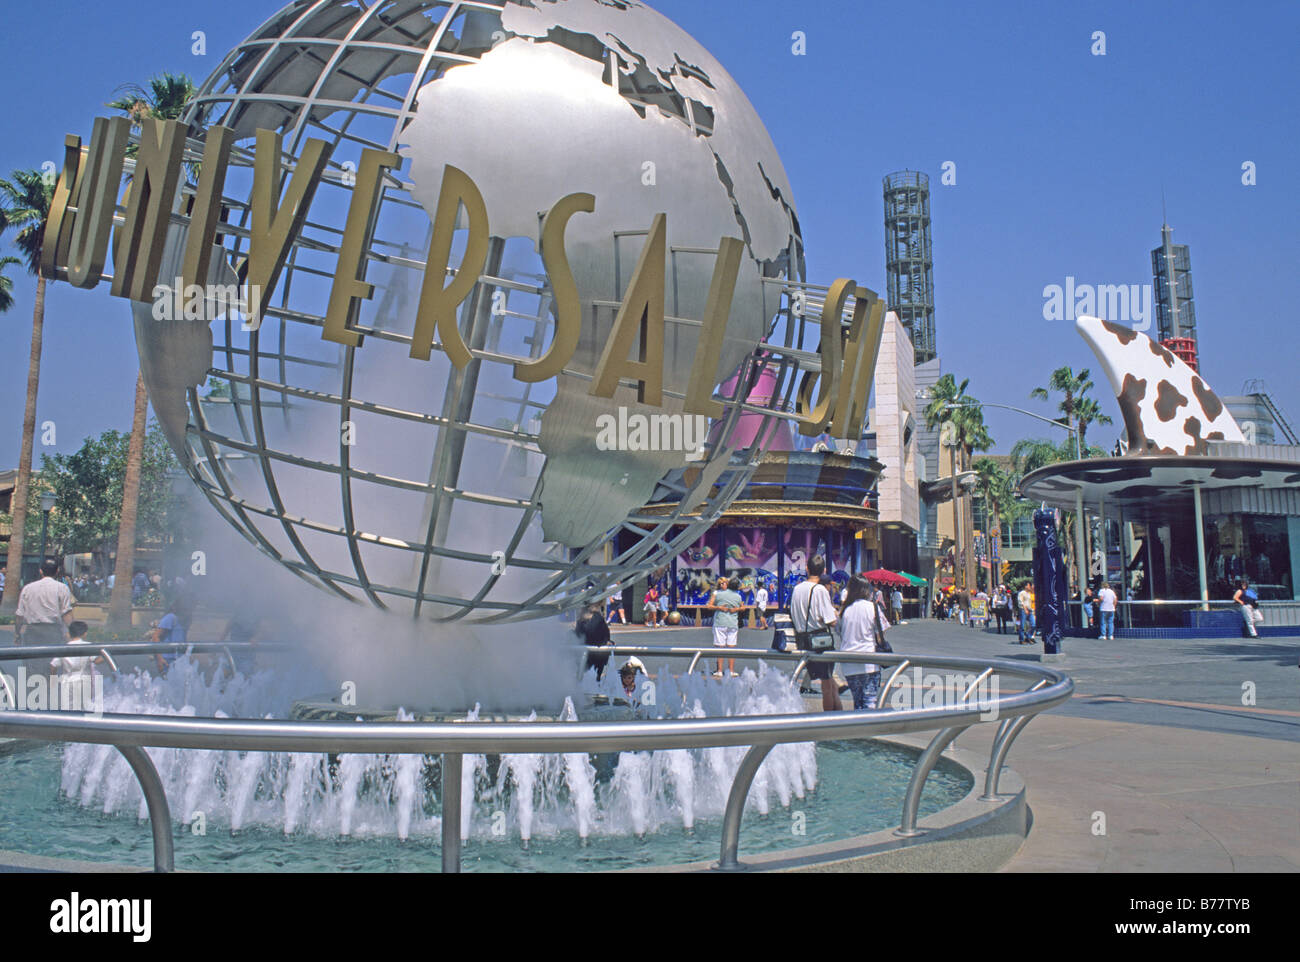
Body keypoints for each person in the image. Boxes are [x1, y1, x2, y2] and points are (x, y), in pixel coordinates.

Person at [790, 555, 841, 712]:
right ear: (824, 570)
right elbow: (830, 620)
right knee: (827, 685)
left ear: (807, 568)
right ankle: (829, 722)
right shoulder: (820, 590)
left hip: (802, 639)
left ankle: (838, 716)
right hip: (820, 641)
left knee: (831, 682)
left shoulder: (797, 589)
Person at [15, 560, 75, 675]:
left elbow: (19, 615)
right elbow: (66, 614)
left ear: (41, 571)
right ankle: (49, 689)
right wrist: (72, 634)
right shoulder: (62, 588)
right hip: (53, 631)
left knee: (32, 664)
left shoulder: (28, 588)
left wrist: (17, 634)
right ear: (57, 571)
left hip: (32, 631)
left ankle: (33, 689)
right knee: (52, 663)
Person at [837, 574, 888, 710]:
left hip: (848, 663)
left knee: (858, 703)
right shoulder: (872, 608)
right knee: (870, 703)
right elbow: (880, 635)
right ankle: (868, 729)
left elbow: (840, 632)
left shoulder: (844, 611)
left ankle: (858, 728)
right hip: (868, 661)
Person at [151, 598, 195, 676]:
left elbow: (182, 639)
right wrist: (159, 658)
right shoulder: (171, 618)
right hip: (167, 660)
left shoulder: (184, 621)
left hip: (180, 659)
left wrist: (188, 655)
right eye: (185, 609)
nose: (188, 612)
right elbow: (155, 637)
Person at [709, 577, 743, 676]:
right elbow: (742, 607)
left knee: (720, 647)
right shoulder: (738, 596)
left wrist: (719, 607)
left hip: (720, 622)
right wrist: (736, 609)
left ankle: (720, 671)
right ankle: (731, 671)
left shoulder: (717, 594)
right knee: (731, 647)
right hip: (732, 623)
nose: (722, 584)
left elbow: (709, 606)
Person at [575, 603, 613, 679]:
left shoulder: (597, 618)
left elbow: (592, 632)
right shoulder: (585, 620)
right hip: (593, 651)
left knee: (590, 675)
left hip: (596, 651)